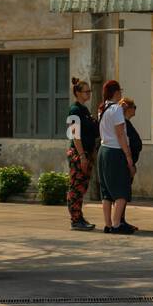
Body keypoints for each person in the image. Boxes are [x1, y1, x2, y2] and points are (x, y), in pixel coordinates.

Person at [97, 80, 138, 234]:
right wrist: (129, 158)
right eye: (120, 90)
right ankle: (116, 224)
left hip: (103, 150)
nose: (121, 93)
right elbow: (121, 135)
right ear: (116, 92)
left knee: (106, 190)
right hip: (115, 151)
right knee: (122, 188)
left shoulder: (103, 108)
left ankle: (108, 224)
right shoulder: (116, 110)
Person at [65, 78, 98, 231]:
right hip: (79, 153)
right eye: (86, 91)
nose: (89, 94)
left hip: (87, 152)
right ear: (77, 93)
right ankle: (75, 219)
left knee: (82, 186)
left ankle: (79, 216)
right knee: (76, 187)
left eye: (90, 91)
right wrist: (82, 156)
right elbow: (75, 135)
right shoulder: (74, 110)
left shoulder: (84, 110)